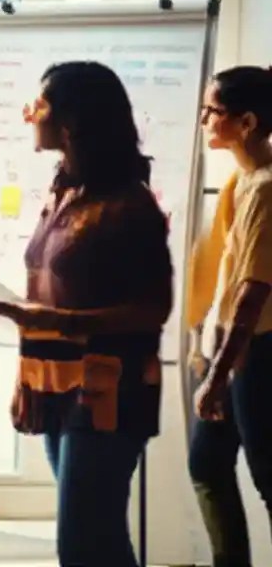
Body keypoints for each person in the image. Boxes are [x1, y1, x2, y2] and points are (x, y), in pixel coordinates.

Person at [0, 61, 172, 566]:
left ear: (72, 121)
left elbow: (153, 308)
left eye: (39, 105)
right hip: (57, 383)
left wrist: (60, 323)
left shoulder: (130, 205)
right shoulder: (64, 192)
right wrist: (13, 310)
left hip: (105, 390)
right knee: (94, 538)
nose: (28, 114)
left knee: (83, 543)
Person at [186, 65, 272, 567]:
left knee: (266, 476)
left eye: (213, 111)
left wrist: (219, 374)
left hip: (257, 354)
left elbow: (254, 291)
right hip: (232, 350)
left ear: (247, 122)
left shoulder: (263, 188)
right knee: (208, 464)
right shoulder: (241, 181)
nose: (202, 119)